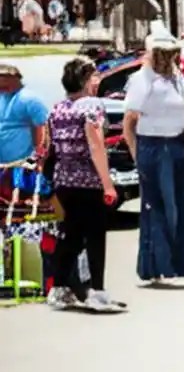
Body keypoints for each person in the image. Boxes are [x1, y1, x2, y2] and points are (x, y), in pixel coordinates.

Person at [123, 35, 184, 287]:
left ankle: (179, 265)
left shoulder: (177, 77)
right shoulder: (142, 80)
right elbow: (129, 122)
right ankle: (157, 266)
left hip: (178, 144)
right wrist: (137, 153)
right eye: (164, 54)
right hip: (153, 146)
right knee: (158, 209)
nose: (169, 59)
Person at [45, 57, 116, 310]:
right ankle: (97, 290)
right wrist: (107, 183)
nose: (97, 81)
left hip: (64, 182)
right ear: (86, 82)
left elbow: (50, 147)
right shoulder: (92, 106)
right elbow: (96, 145)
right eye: (94, 77)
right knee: (95, 236)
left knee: (70, 236)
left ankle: (59, 288)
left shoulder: (57, 109)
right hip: (88, 181)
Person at [0, 63, 49, 166]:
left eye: (3, 78)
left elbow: (45, 130)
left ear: (15, 79)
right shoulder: (2, 97)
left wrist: (38, 160)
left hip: (22, 162)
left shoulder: (29, 99)